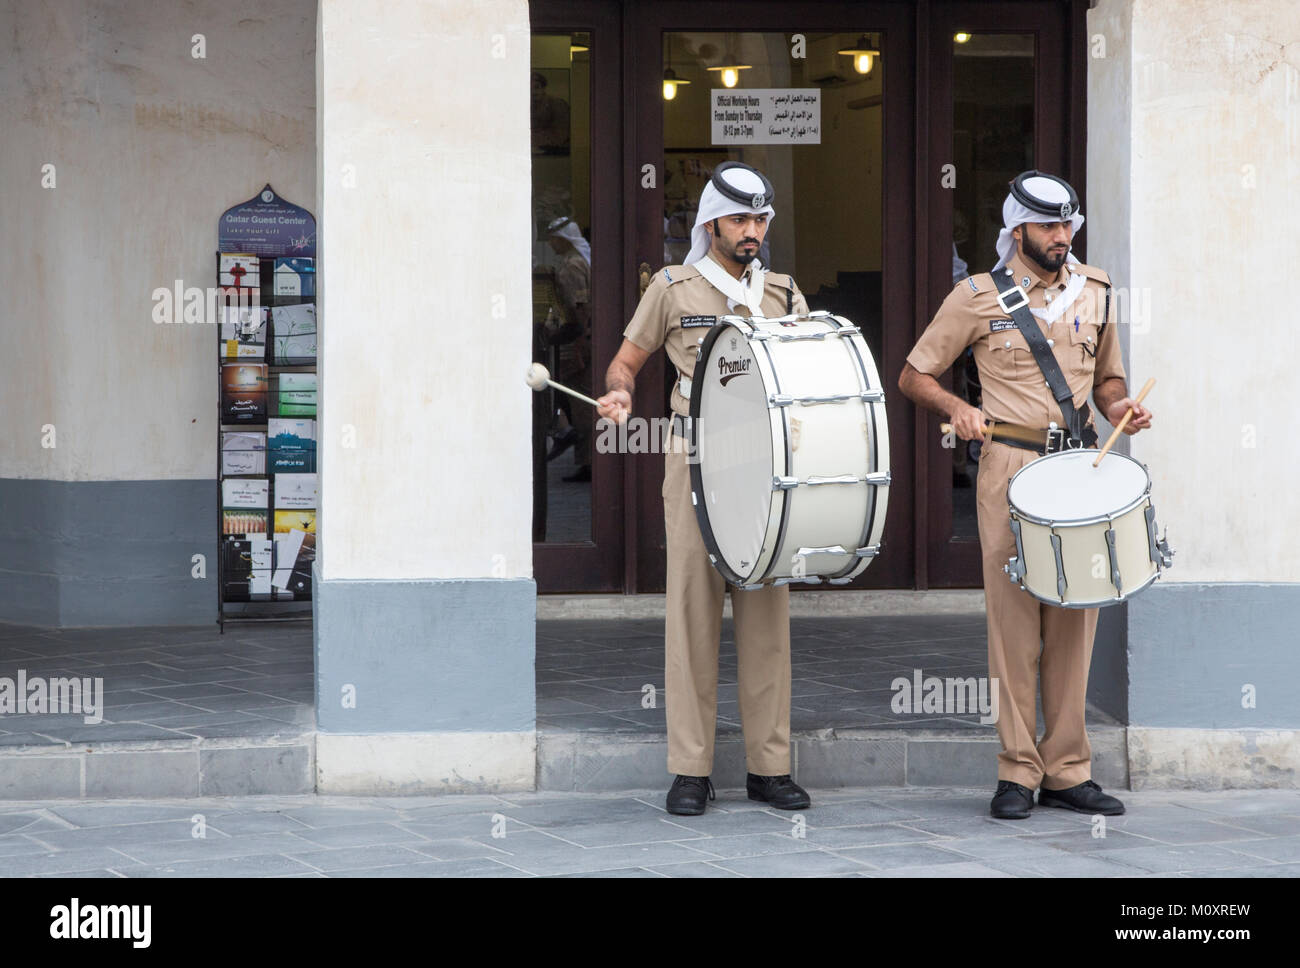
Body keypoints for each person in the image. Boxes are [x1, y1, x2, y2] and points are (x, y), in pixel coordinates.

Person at [898, 170, 1152, 820]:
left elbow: (1108, 381)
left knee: (1078, 614)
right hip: (1010, 465)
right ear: (1018, 230)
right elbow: (914, 373)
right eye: (1049, 226)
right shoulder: (977, 296)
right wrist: (956, 407)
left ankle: (1068, 770)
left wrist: (1123, 407)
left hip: (1081, 464)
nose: (1062, 237)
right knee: (1014, 622)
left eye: (1068, 225)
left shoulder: (1096, 292)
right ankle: (1016, 772)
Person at [595, 162, 812, 816]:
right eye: (740, 219)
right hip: (694, 452)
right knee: (692, 609)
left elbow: (806, 371)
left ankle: (768, 767)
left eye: (760, 220)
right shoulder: (672, 287)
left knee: (766, 614)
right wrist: (620, 394)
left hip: (766, 459)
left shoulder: (783, 292)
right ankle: (691, 769)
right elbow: (626, 362)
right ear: (711, 222)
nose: (751, 231)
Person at [543, 216, 593, 482]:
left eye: (553, 238)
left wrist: (579, 342)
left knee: (579, 400)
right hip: (578, 338)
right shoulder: (575, 261)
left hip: (576, 340)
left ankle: (589, 462)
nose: (550, 243)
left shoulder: (572, 265)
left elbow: (579, 306)